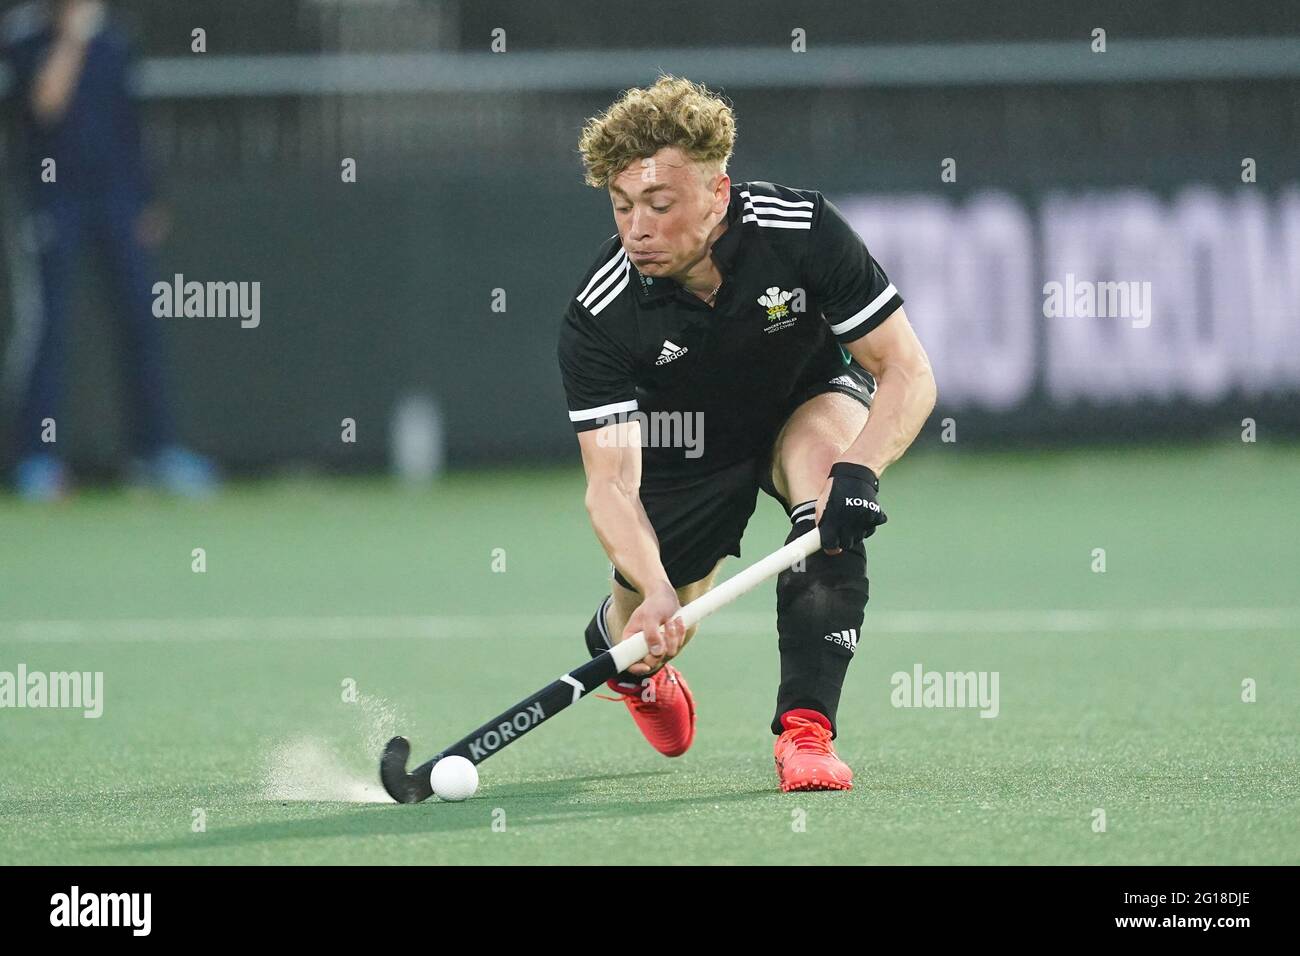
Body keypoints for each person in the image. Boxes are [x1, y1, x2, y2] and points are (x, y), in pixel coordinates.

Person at [557, 76, 936, 792]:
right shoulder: (601, 315)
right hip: (686, 441)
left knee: (827, 506)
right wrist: (657, 586)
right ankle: (633, 667)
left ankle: (805, 733)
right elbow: (609, 484)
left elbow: (908, 372)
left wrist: (860, 471)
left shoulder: (797, 231)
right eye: (622, 206)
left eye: (659, 205)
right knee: (650, 628)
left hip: (805, 400)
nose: (637, 227)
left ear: (717, 193)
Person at [1, 0, 217, 500]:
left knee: (142, 320)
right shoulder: (24, 39)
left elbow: (129, 124)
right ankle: (37, 458)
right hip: (53, 199)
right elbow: (44, 105)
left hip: (117, 200)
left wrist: (147, 196)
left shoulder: (117, 43)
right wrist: (72, 40)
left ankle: (156, 452)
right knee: (48, 328)